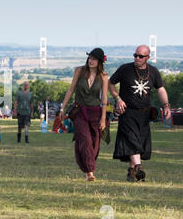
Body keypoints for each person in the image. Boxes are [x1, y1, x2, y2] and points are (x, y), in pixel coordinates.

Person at [108, 45, 171, 182]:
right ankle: (138, 167)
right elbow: (110, 83)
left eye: (140, 56)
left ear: (147, 57)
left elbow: (160, 89)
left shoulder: (153, 72)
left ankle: (131, 173)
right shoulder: (125, 69)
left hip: (144, 114)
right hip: (127, 111)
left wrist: (166, 106)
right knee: (132, 140)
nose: (137, 58)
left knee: (139, 143)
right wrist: (117, 98)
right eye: (135, 55)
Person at [60, 48, 108, 181]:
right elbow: (71, 90)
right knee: (85, 139)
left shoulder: (103, 76)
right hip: (79, 111)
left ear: (99, 62)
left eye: (94, 59)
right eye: (90, 58)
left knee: (95, 143)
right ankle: (89, 172)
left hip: (96, 112)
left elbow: (104, 98)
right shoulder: (79, 71)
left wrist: (103, 118)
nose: (91, 61)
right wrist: (62, 107)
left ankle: (88, 166)